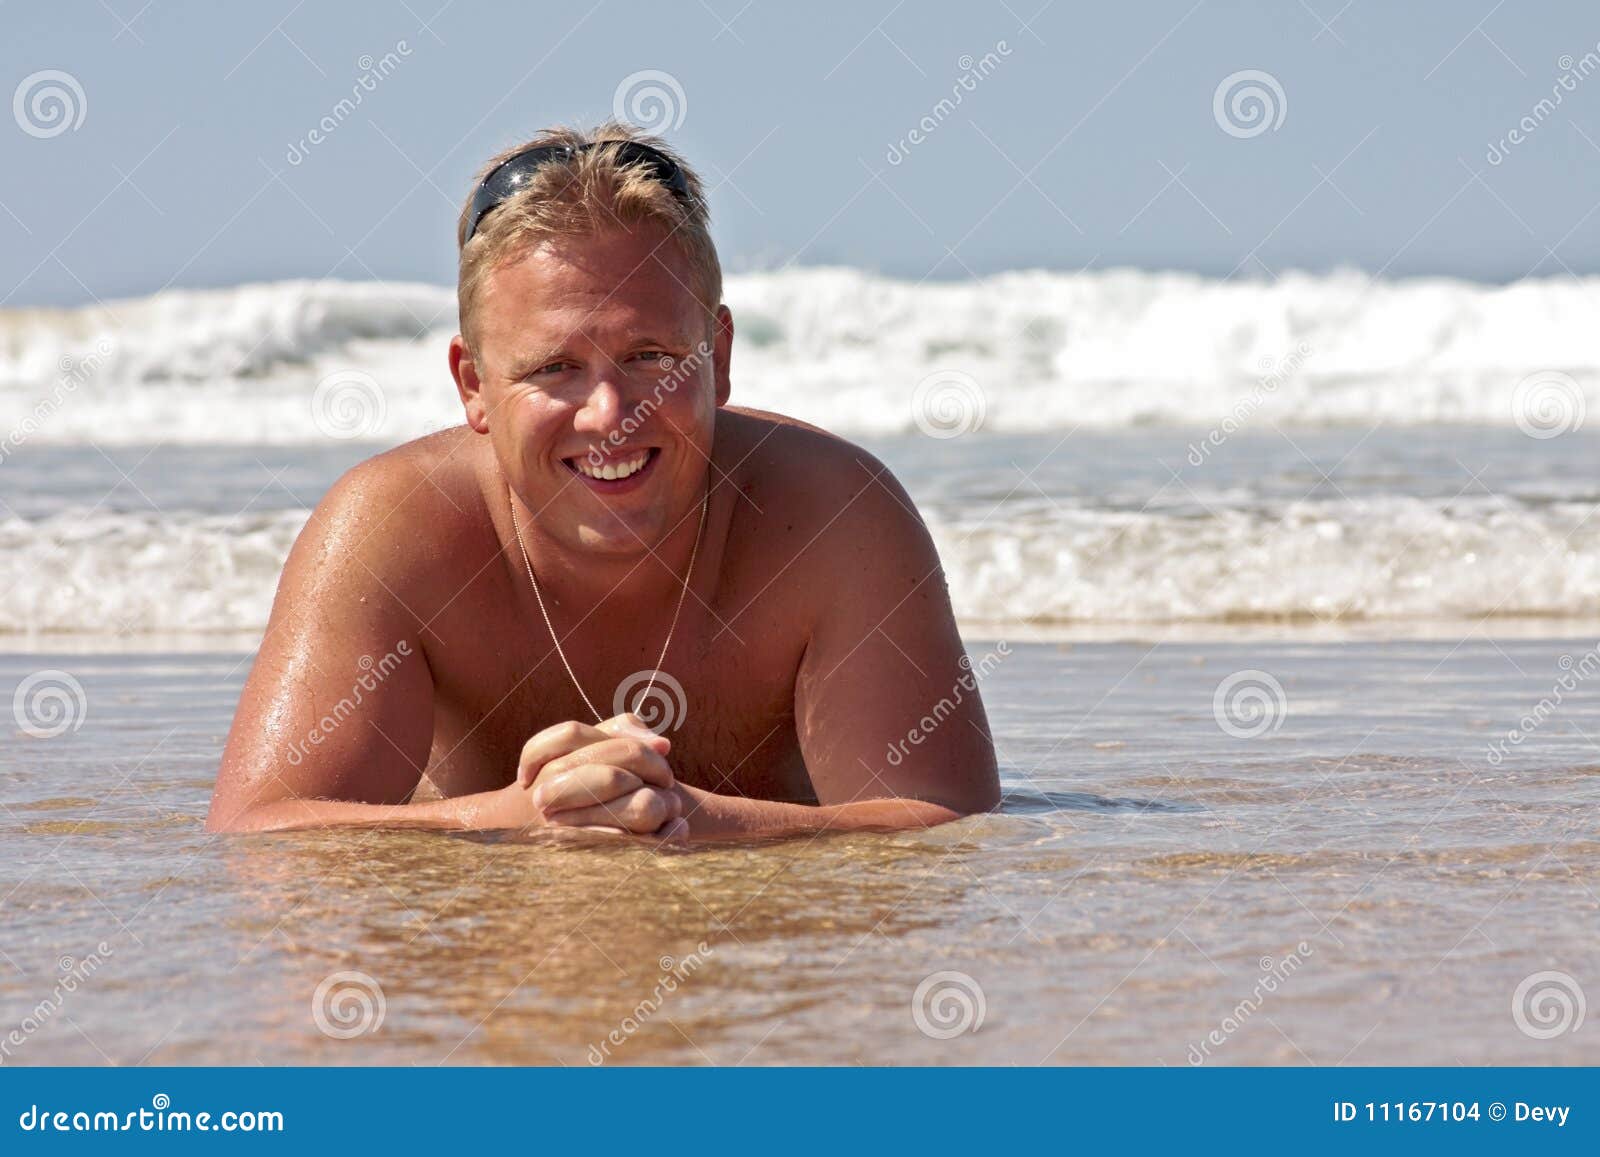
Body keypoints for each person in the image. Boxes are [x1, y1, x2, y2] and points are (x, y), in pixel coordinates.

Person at [205, 122, 999, 841]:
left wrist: (687, 816)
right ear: (473, 383)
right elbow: (261, 833)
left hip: (759, 975)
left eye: (650, 356)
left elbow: (950, 828)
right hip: (488, 976)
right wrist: (521, 815)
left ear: (717, 356)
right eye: (555, 368)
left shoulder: (837, 519)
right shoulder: (390, 530)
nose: (610, 413)